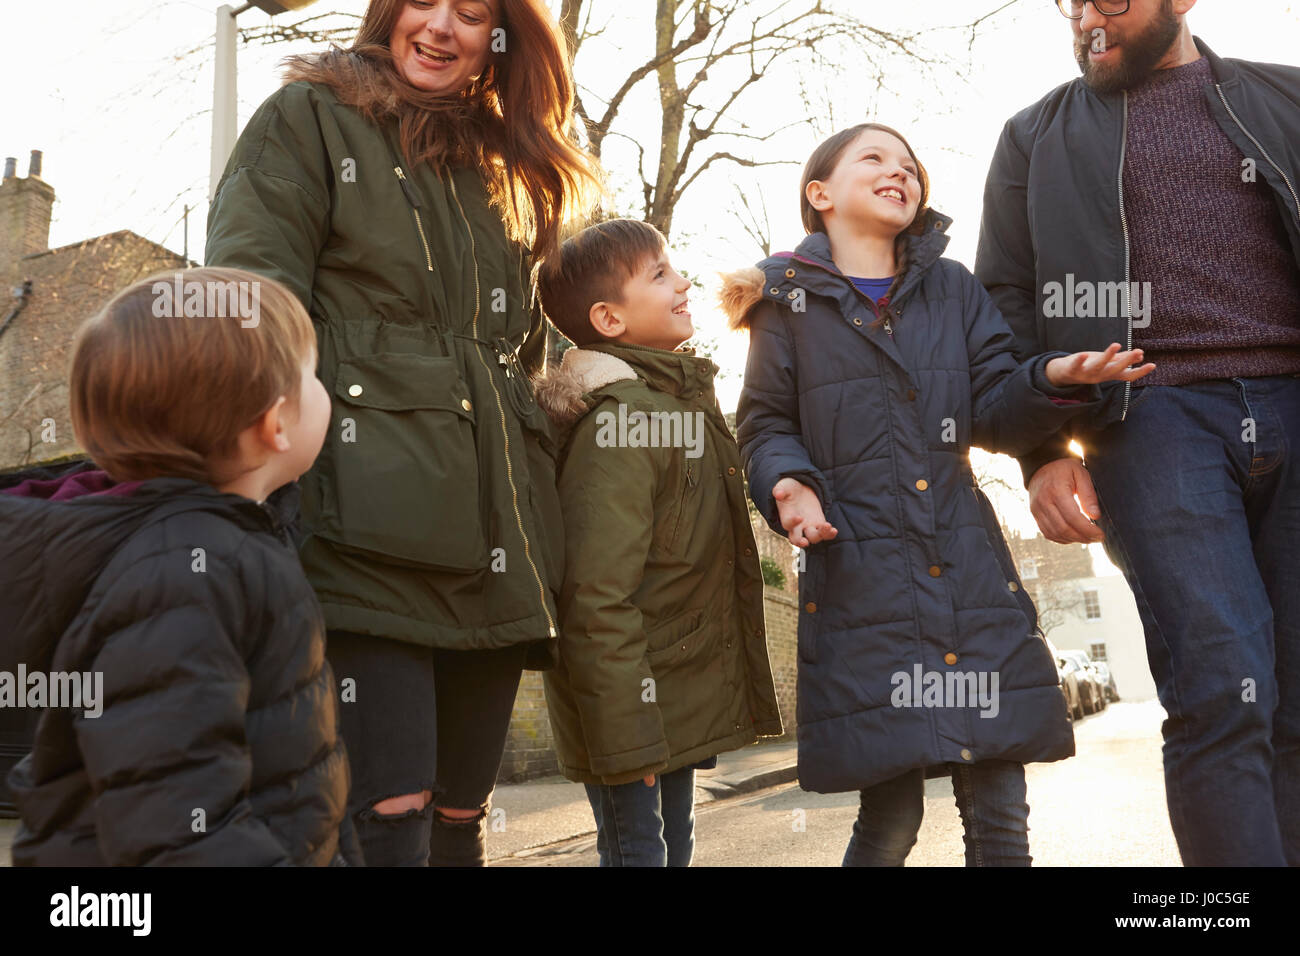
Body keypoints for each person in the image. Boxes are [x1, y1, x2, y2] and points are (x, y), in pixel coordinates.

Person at [204, 0, 598, 866]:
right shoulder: (310, 116)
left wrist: (584, 381)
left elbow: (520, 348)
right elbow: (251, 291)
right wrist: (268, 441)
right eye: (424, 1)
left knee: (462, 815)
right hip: (360, 519)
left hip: (503, 531)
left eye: (470, 13)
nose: (441, 27)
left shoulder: (513, 167)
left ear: (497, 41)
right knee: (391, 811)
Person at [724, 123, 1153, 866]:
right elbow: (764, 422)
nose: (900, 171)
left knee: (999, 808)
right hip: (863, 579)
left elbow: (991, 405)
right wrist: (790, 488)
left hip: (967, 569)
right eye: (875, 159)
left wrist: (1049, 380)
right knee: (889, 814)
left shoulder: (952, 287)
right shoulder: (784, 301)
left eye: (909, 165)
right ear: (819, 193)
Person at [975, 0, 1300, 865]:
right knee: (1223, 690)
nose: (1086, 16)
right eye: (1068, 2)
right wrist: (1043, 452)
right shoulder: (1031, 137)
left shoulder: (1286, 98)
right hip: (1152, 421)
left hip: (1293, 400)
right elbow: (1003, 310)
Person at [0, 267, 360, 866]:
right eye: (312, 374)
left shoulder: (218, 550)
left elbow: (299, 782)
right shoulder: (185, 575)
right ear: (274, 424)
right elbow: (178, 830)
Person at [531, 218, 783, 866]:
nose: (683, 282)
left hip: (673, 700)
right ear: (610, 319)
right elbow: (594, 598)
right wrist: (628, 734)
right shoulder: (619, 424)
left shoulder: (673, 405)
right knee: (641, 854)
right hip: (632, 712)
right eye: (660, 274)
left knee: (670, 853)